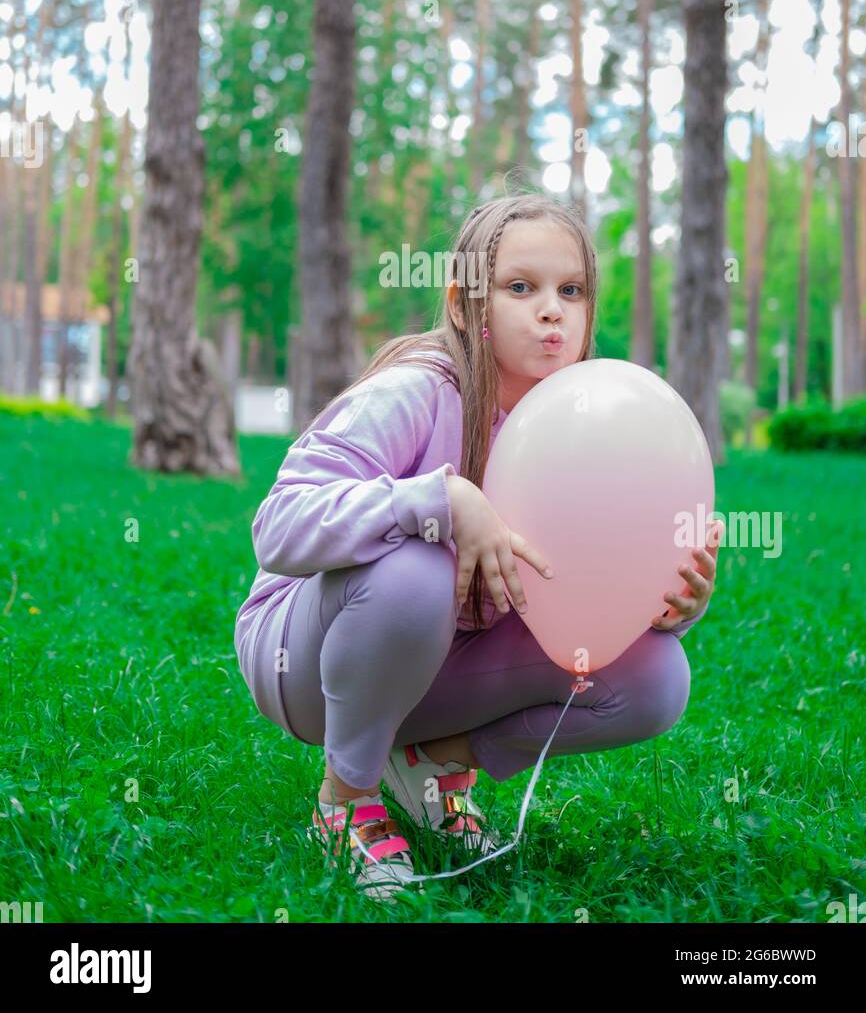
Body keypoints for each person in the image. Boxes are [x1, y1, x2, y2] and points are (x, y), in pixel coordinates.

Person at [233, 193, 720, 902]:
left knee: (655, 679)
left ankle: (431, 763)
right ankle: (345, 801)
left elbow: (581, 596)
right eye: (521, 287)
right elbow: (278, 525)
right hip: (306, 658)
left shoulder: (595, 432)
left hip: (441, 662)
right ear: (466, 307)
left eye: (571, 290)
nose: (551, 309)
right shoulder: (419, 393)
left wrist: (670, 602)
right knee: (418, 570)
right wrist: (440, 501)